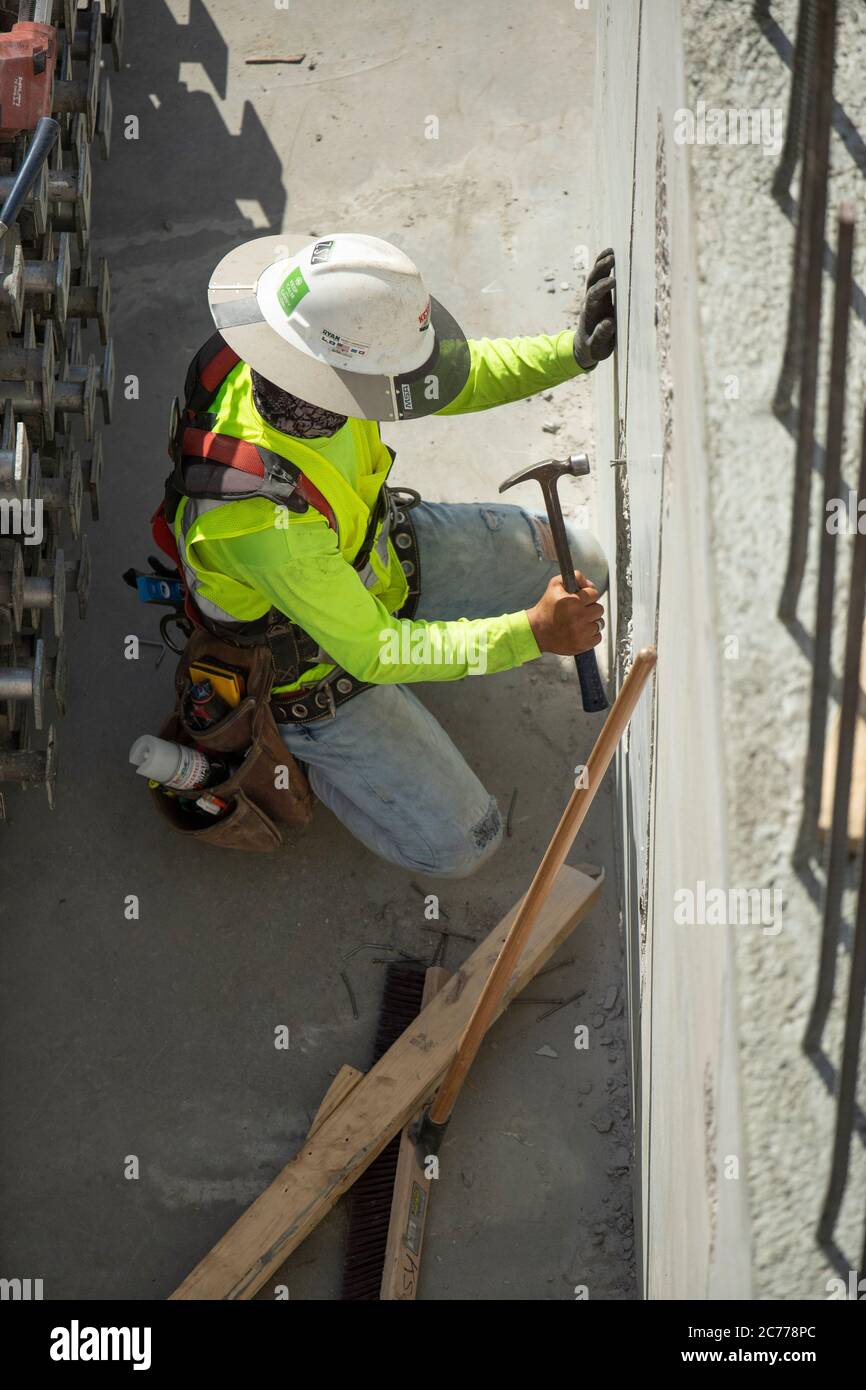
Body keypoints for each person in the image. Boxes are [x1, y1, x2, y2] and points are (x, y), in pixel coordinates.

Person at [165, 233, 616, 875]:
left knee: (583, 559)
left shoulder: (278, 352)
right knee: (464, 843)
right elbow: (377, 650)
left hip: (368, 563)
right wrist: (531, 634)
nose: (401, 389)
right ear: (338, 384)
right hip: (316, 669)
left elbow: (446, 383)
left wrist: (569, 355)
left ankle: (404, 692)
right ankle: (307, 756)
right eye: (388, 380)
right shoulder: (263, 525)